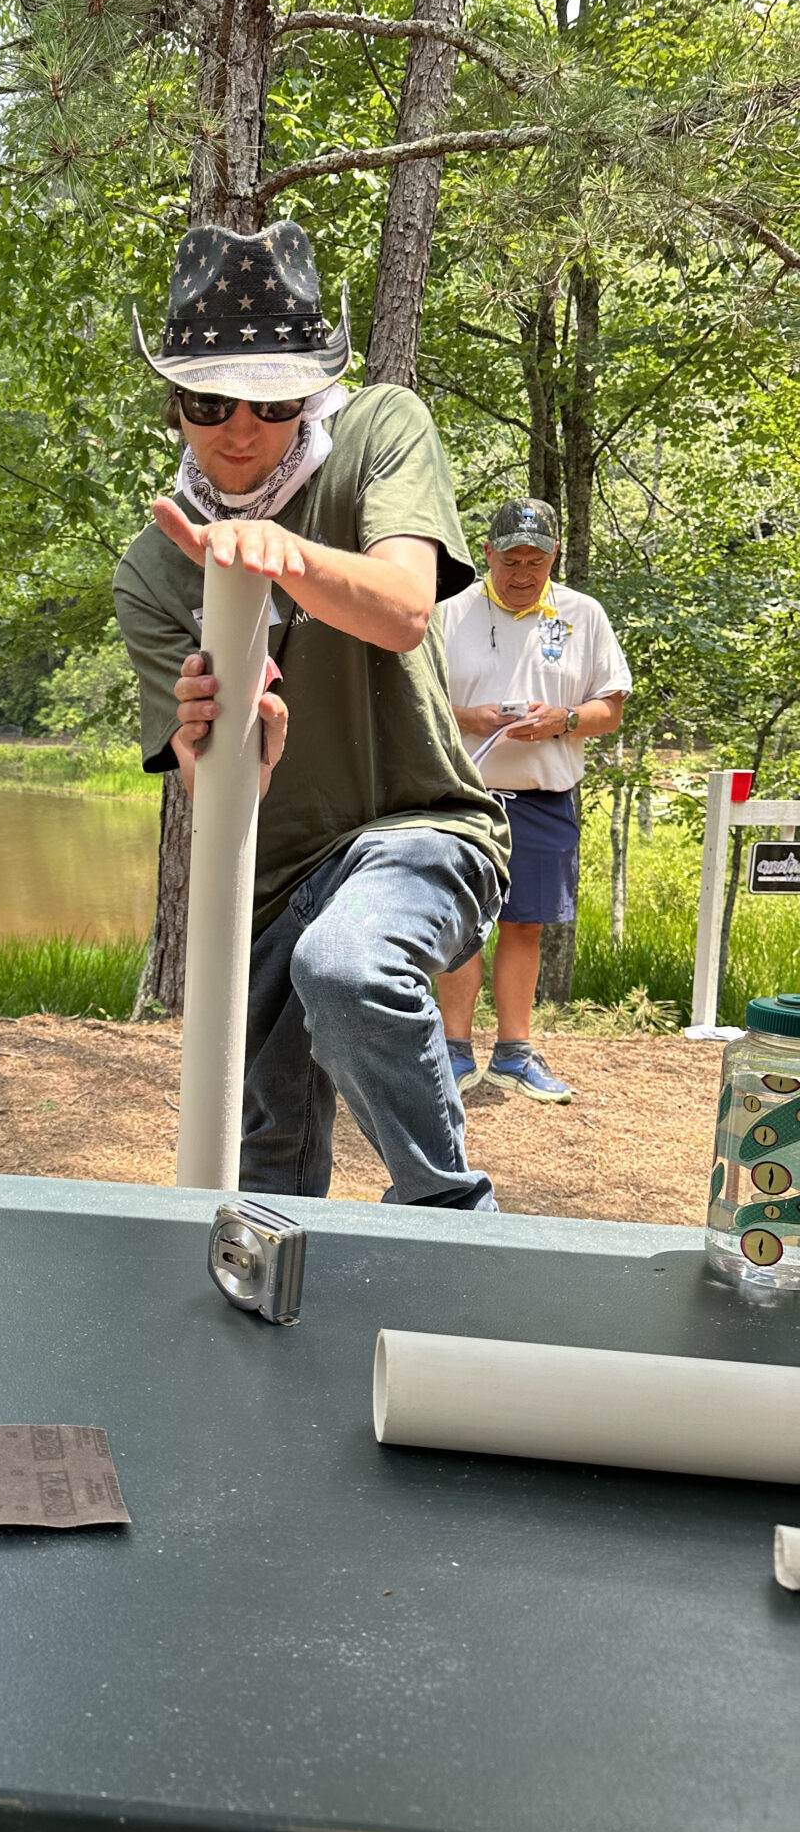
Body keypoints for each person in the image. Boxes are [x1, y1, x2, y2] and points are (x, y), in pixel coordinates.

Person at [114, 219, 510, 1210]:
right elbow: (204, 772)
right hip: (267, 884)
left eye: (274, 399)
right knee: (259, 1183)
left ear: (316, 390)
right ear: (173, 400)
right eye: (210, 399)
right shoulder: (153, 566)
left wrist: (269, 549)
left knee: (348, 966)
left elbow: (403, 604)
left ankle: (453, 1219)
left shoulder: (381, 429)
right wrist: (239, 743)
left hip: (419, 830)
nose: (242, 428)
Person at [435, 498, 630, 1103]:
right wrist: (472, 716)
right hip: (461, 793)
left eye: (536, 560)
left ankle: (514, 1055)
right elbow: (411, 702)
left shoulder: (582, 615)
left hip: (545, 797)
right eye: (511, 559)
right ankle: (452, 1052)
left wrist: (563, 719)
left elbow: (611, 710)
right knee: (460, 927)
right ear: (487, 554)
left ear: (554, 557)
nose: (522, 573)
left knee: (525, 926)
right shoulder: (448, 613)